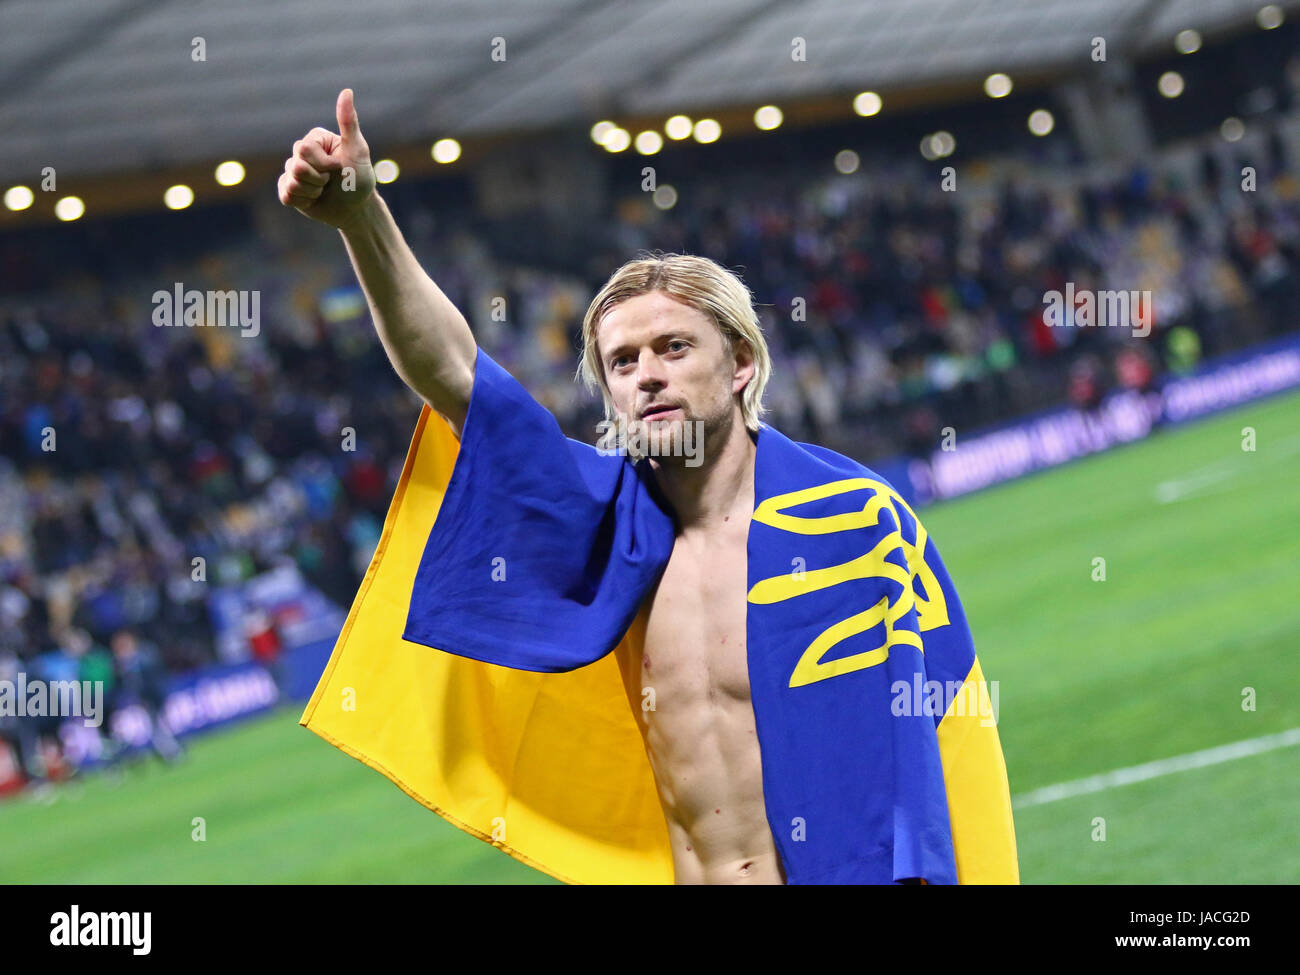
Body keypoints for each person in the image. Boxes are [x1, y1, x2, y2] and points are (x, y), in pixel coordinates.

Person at [281, 90, 1017, 885]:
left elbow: (937, 723)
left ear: (741, 363)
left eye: (673, 347)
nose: (647, 376)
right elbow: (455, 373)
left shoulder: (850, 518)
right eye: (623, 363)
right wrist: (361, 216)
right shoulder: (604, 522)